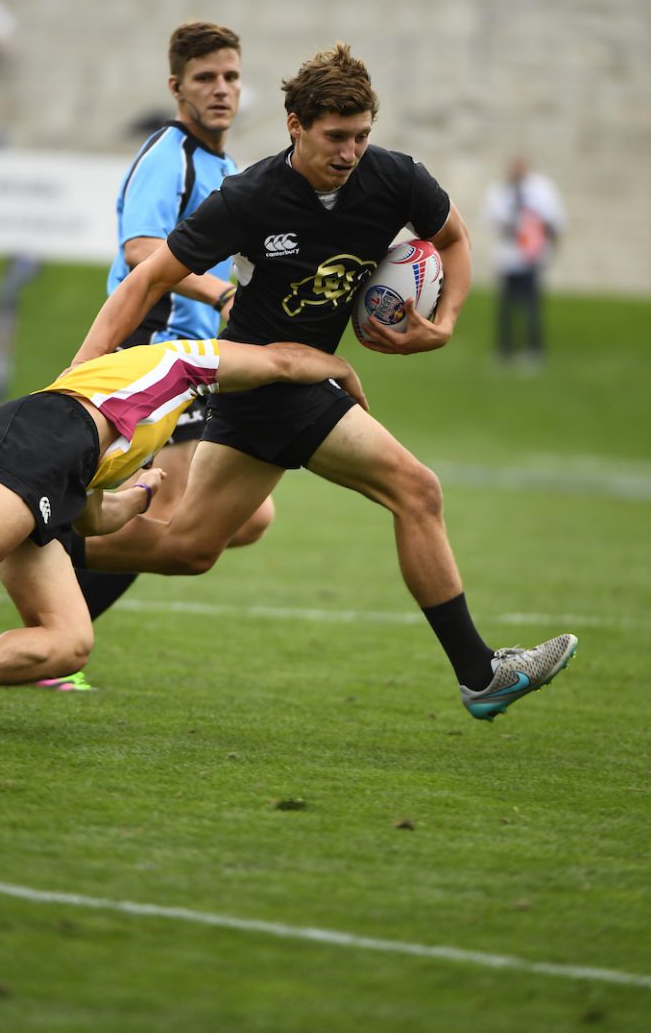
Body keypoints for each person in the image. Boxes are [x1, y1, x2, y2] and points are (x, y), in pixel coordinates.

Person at [58, 42, 578, 722]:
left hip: (270, 393)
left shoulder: (395, 179)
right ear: (295, 125)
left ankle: (31, 538)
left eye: (361, 136)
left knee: (190, 547)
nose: (349, 151)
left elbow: (453, 238)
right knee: (416, 490)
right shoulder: (249, 197)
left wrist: (444, 322)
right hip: (265, 379)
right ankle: (480, 674)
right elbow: (146, 275)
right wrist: (81, 375)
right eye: (335, 137)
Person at [0, 21, 276, 692]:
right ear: (176, 87)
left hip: (196, 369)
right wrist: (218, 293)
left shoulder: (226, 169)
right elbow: (142, 251)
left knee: (239, 521)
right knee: (185, 527)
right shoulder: (167, 156)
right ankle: (25, 559)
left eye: (231, 76)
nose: (221, 90)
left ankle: (31, 546)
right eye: (205, 78)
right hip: (149, 357)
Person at [0, 337, 366, 736]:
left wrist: (140, 495)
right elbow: (282, 360)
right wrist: (341, 369)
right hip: (44, 433)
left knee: (69, 643)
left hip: (64, 467)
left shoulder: (153, 430)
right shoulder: (181, 362)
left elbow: (91, 519)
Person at [482, 156, 566, 366]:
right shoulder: (499, 191)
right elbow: (493, 220)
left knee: (530, 305)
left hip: (531, 255)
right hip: (508, 255)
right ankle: (505, 350)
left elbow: (553, 221)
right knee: (506, 307)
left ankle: (533, 349)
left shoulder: (541, 189)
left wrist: (545, 244)